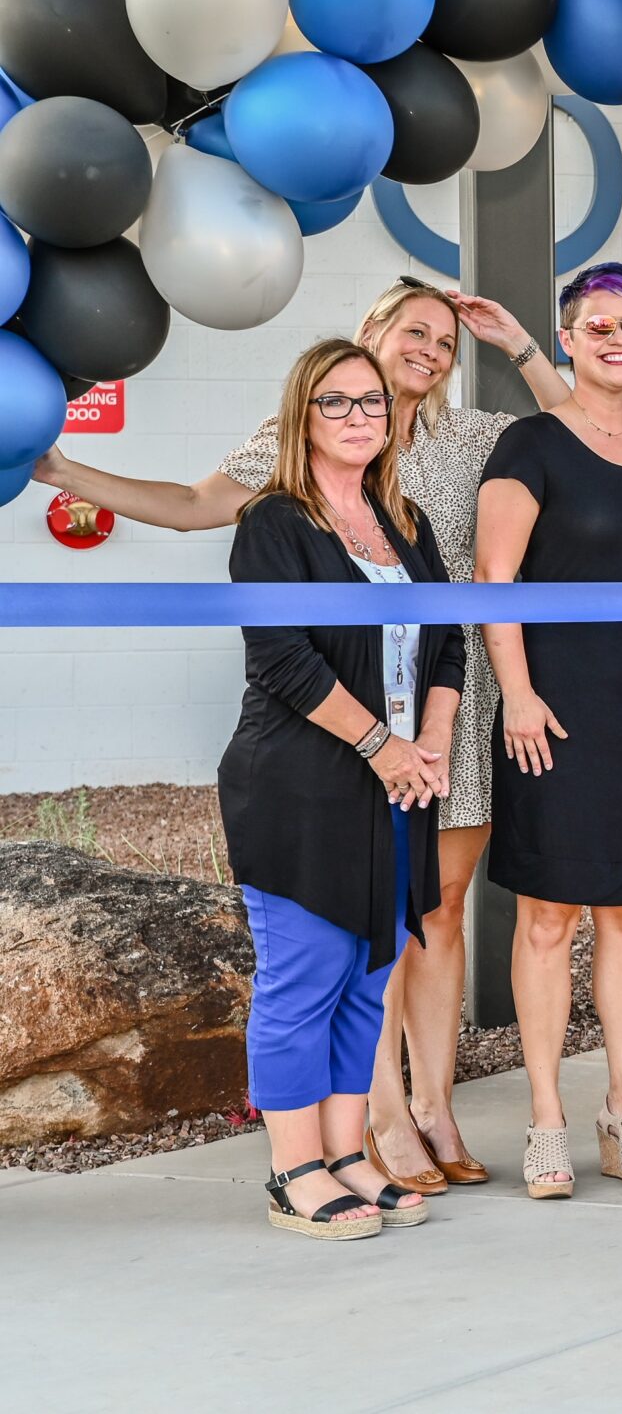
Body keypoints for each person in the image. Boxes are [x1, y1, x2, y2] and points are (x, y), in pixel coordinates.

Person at [32, 278, 567, 1195]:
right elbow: (197, 513)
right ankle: (351, 1135)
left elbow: (568, 433)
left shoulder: (456, 452)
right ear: (366, 336)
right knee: (334, 947)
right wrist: (65, 471)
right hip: (337, 742)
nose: (430, 351)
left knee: (416, 927)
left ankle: (408, 1118)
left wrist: (515, 340)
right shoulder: (285, 482)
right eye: (414, 332)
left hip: (435, 732)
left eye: (445, 342)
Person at [220, 339, 465, 1238]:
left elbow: (449, 639)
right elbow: (282, 658)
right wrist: (380, 744)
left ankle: (345, 1153)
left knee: (369, 974)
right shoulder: (273, 522)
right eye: (337, 401)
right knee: (305, 975)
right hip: (299, 784)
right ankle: (293, 1171)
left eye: (372, 402)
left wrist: (431, 739)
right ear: (303, 413)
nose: (359, 416)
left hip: (398, 783)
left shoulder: (405, 519)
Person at [476, 262, 622, 1198]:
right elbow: (494, 582)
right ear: (566, 339)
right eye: (598, 325)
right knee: (547, 916)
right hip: (555, 709)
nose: (617, 338)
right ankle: (545, 1120)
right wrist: (518, 694)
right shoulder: (529, 443)